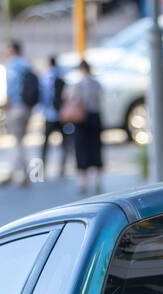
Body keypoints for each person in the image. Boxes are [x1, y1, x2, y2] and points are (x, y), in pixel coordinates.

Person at [2, 40, 37, 188]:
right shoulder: (27, 64)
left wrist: (7, 103)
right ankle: (21, 172)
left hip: (17, 106)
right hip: (28, 107)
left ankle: (19, 173)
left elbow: (11, 88)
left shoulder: (12, 66)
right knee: (20, 141)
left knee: (18, 142)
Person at [67, 61, 104, 196]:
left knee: (81, 150)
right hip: (95, 118)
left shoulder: (77, 85)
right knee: (96, 148)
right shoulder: (96, 84)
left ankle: (83, 182)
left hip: (80, 120)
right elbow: (101, 99)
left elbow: (71, 99)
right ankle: (98, 180)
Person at [38, 55, 71, 180]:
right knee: (64, 143)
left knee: (46, 144)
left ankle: (43, 169)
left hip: (49, 114)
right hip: (61, 115)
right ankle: (62, 169)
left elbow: (42, 97)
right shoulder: (61, 78)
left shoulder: (45, 78)